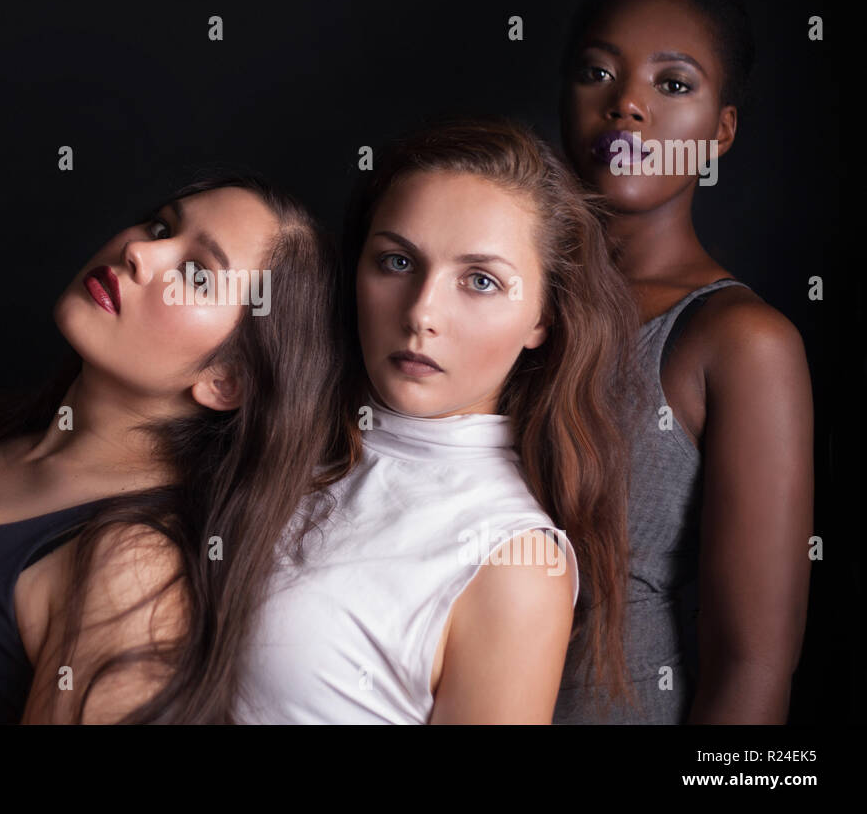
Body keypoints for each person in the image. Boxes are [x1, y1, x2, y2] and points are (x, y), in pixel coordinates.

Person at [0, 171, 358, 723]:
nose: (140, 251)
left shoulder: (136, 569)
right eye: (161, 228)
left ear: (227, 381)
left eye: (199, 274)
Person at [234, 118, 640, 723]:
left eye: (480, 281)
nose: (422, 311)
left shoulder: (514, 565)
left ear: (542, 318)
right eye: (397, 261)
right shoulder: (271, 426)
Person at [552, 0, 814, 723]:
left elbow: (753, 667)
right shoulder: (487, 300)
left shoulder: (740, 341)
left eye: (673, 84)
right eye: (597, 73)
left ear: (721, 130)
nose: (627, 105)